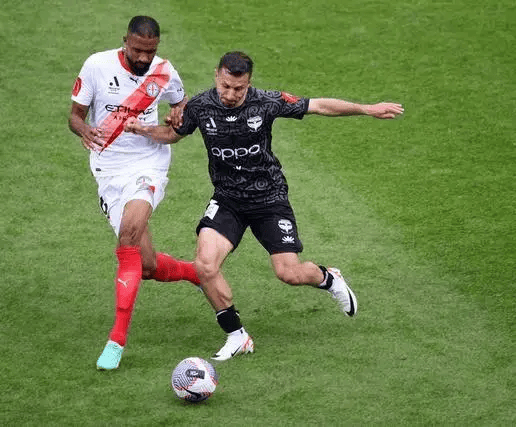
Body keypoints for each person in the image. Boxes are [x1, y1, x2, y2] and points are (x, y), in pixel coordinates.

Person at [123, 51, 404, 361]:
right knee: (205, 265)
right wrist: (142, 129)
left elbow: (318, 105)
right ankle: (237, 335)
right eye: (226, 86)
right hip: (228, 199)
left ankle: (328, 278)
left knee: (289, 273)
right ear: (217, 75)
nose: (231, 94)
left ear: (249, 83)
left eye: (239, 88)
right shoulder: (200, 106)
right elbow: (171, 134)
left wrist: (366, 109)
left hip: (269, 199)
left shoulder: (266, 102)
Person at [68, 16, 200, 370]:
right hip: (108, 171)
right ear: (125, 40)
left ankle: (116, 340)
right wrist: (83, 130)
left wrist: (177, 114)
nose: (144, 58)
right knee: (146, 265)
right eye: (138, 50)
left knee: (128, 234)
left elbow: (181, 103)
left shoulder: (163, 72)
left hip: (148, 164)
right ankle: (198, 274)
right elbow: (75, 115)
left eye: (150, 52)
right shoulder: (97, 66)